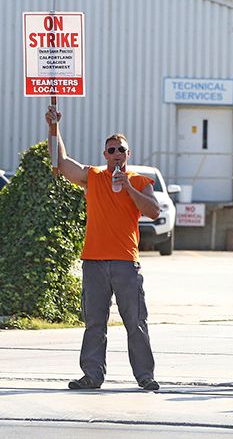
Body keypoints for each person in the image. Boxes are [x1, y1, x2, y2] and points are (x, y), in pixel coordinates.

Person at [45, 105, 161, 391]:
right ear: (104, 154)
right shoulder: (93, 177)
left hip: (125, 263)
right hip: (94, 262)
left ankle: (145, 376)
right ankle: (92, 375)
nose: (116, 155)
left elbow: (155, 211)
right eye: (111, 150)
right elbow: (60, 161)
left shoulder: (139, 181)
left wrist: (128, 188)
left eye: (120, 150)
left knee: (135, 322)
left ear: (128, 154)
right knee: (95, 323)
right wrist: (53, 128)